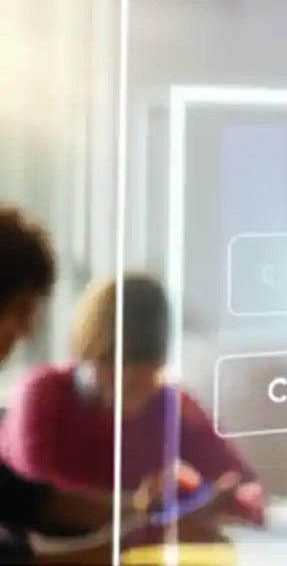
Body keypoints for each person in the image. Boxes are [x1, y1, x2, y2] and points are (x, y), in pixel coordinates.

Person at [0, 206, 240, 564]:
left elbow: (26, 499)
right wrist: (149, 531)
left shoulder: (172, 404)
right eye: (20, 312)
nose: (28, 331)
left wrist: (148, 512)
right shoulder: (46, 393)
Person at [0, 273, 266, 541]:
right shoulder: (43, 393)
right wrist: (144, 507)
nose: (126, 395)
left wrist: (204, 497)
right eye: (113, 371)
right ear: (87, 356)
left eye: (142, 383)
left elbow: (243, 487)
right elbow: (37, 508)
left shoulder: (169, 404)